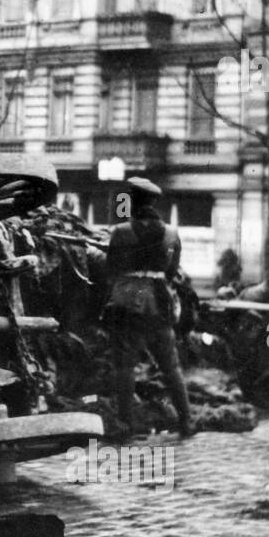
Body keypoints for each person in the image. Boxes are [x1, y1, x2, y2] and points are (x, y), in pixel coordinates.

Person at [103, 177, 194, 438]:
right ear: (154, 203)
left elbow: (111, 269)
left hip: (128, 307)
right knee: (171, 366)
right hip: (160, 305)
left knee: (125, 367)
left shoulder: (121, 232)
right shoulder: (171, 234)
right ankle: (186, 422)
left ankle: (126, 425)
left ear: (132, 202)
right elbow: (173, 271)